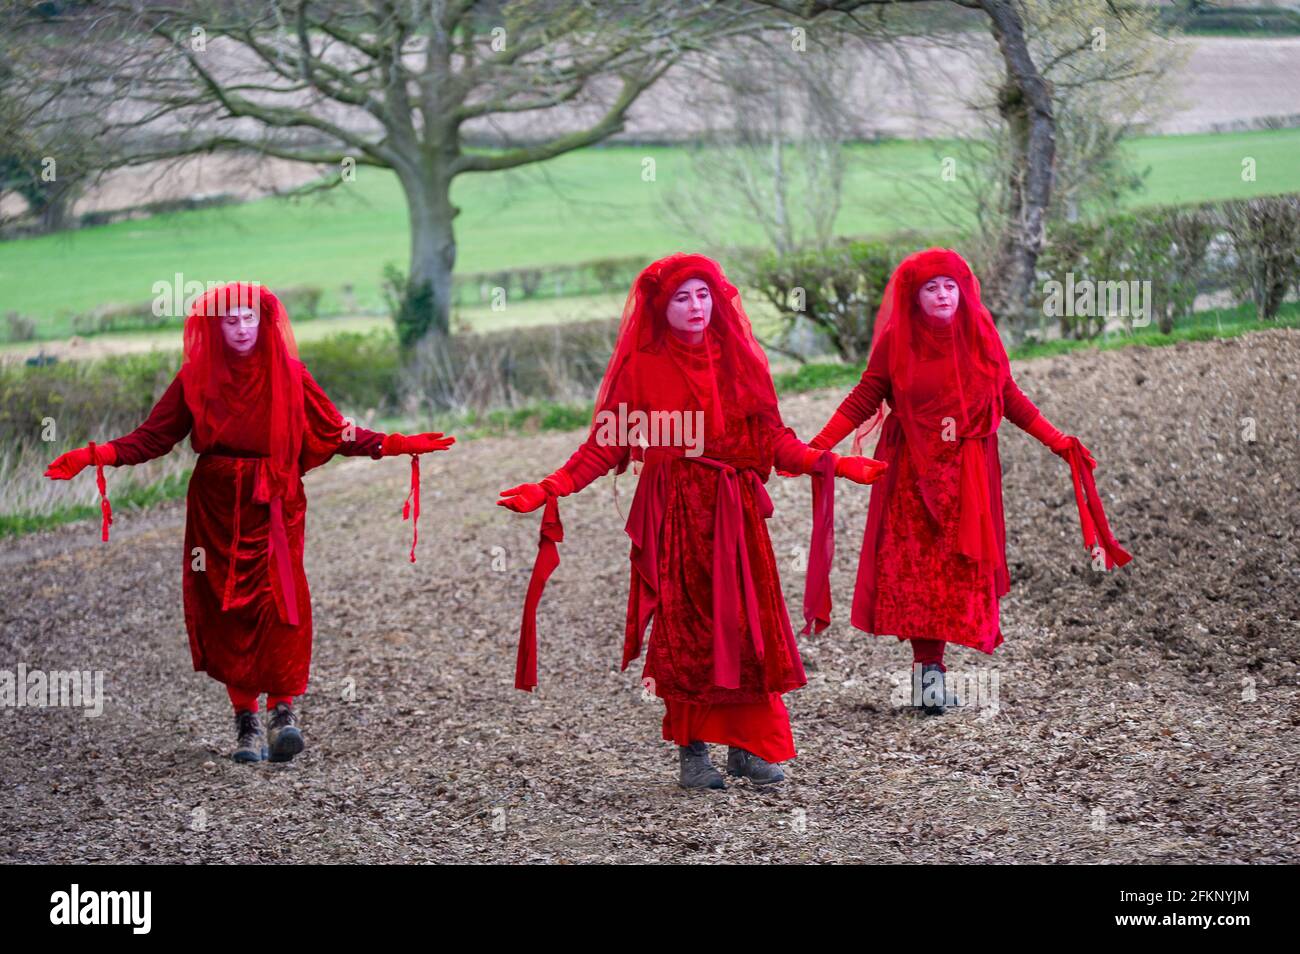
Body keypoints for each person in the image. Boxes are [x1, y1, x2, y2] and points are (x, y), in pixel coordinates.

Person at [497, 254, 886, 789]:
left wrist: (836, 464)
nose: (696, 306)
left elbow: (774, 440)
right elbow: (604, 446)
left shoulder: (741, 361)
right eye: (682, 297)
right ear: (661, 308)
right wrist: (550, 486)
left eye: (703, 295)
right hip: (676, 516)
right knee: (687, 630)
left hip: (736, 515)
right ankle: (692, 750)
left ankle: (747, 748)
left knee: (748, 625)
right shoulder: (644, 367)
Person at [44, 282, 454, 761]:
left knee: (283, 602)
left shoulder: (290, 374)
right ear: (216, 326)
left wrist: (394, 444)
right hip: (217, 507)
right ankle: (246, 724)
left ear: (264, 322)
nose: (241, 328)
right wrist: (94, 456)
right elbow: (153, 438)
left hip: (275, 502)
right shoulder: (196, 378)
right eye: (230, 320)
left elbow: (336, 430)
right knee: (226, 607)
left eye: (248, 318)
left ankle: (284, 714)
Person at [801, 248, 1131, 714]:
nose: (942, 295)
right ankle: (927, 675)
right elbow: (864, 397)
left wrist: (1057, 441)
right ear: (914, 297)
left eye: (949, 286)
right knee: (918, 575)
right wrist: (816, 447)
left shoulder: (980, 334)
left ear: (963, 289)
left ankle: (931, 676)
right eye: (931, 288)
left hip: (967, 475)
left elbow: (1008, 395)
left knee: (954, 574)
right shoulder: (897, 339)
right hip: (910, 472)